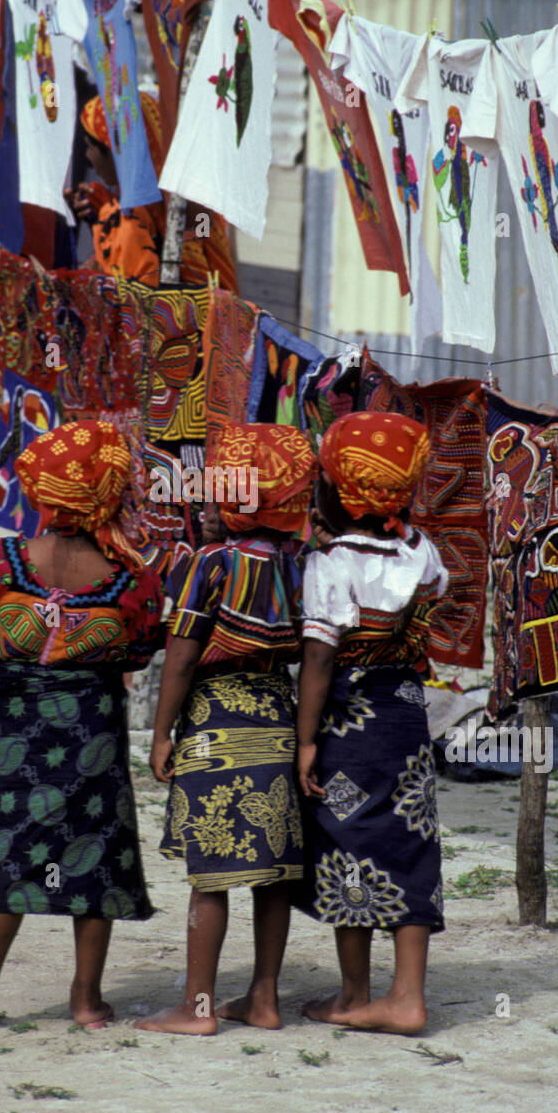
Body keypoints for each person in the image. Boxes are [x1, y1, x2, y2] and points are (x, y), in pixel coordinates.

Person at [0, 420, 164, 1035]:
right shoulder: (129, 579)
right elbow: (136, 653)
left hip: (21, 740)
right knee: (97, 849)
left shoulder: (0, 564)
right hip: (95, 737)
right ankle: (86, 1002)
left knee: (10, 846)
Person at [136, 422, 316, 1035]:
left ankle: (198, 1008)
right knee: (272, 872)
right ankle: (264, 999)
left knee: (210, 877)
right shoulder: (299, 565)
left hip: (216, 724)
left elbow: (182, 656)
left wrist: (162, 733)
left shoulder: (211, 563)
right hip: (278, 722)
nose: (209, 504)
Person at [295, 411, 448, 1035]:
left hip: (350, 728)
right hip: (406, 718)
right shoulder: (421, 550)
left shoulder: (329, 562)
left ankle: (355, 995)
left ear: (336, 487)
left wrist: (305, 741)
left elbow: (319, 660)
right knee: (410, 842)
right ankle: (407, 996)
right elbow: (435, 592)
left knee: (347, 841)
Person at [66, 92, 238, 290]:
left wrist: (113, 216)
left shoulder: (191, 203)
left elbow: (130, 295)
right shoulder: (188, 188)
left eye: (90, 148)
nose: (88, 157)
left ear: (116, 151)